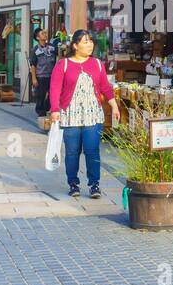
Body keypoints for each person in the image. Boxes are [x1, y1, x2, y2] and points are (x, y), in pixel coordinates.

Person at [49, 29, 120, 198]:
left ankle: (94, 185)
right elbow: (55, 88)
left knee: (92, 150)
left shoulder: (97, 64)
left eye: (90, 41)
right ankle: (73, 183)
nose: (90, 45)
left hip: (93, 115)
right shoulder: (63, 65)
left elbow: (105, 87)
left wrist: (114, 106)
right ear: (75, 45)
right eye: (85, 42)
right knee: (72, 152)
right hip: (71, 114)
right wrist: (55, 110)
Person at [29, 28, 57, 118]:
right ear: (37, 37)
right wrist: (34, 78)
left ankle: (47, 108)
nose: (45, 34)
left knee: (52, 93)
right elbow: (33, 65)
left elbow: (59, 56)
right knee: (40, 95)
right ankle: (40, 112)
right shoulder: (35, 50)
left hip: (52, 75)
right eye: (42, 33)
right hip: (40, 76)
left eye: (45, 33)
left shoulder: (52, 47)